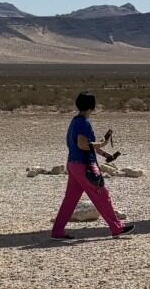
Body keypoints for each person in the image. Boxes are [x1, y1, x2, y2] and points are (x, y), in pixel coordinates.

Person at [51, 92, 131, 239]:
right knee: (102, 194)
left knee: (70, 200)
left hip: (73, 164)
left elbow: (86, 145)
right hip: (83, 166)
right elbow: (83, 144)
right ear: (91, 107)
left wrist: (106, 155)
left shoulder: (75, 121)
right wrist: (101, 143)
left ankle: (57, 231)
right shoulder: (84, 123)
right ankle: (116, 227)